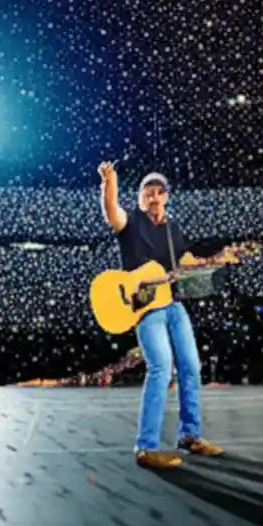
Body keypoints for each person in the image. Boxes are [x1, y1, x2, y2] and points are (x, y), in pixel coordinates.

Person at [98, 161, 231, 469]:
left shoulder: (173, 231)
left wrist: (218, 259)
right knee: (161, 368)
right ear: (141, 198)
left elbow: (186, 262)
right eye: (148, 192)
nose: (154, 197)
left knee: (192, 367)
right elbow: (111, 211)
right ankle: (146, 447)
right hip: (147, 309)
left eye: (159, 192)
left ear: (166, 197)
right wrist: (109, 183)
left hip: (173, 304)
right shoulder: (131, 223)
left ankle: (190, 435)